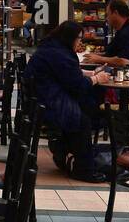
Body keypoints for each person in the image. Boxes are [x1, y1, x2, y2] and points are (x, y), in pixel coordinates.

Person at [25, 21, 113, 183]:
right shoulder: (61, 54)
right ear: (69, 38)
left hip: (41, 100)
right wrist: (96, 78)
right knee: (83, 120)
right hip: (52, 102)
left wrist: (90, 74)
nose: (80, 43)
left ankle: (66, 154)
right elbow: (77, 85)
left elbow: (67, 74)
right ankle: (84, 168)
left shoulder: (52, 48)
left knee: (84, 111)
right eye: (78, 39)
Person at [98, 0, 129, 71]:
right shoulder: (123, 31)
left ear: (115, 13)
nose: (107, 18)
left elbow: (125, 61)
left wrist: (99, 59)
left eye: (108, 14)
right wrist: (97, 56)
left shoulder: (128, 33)